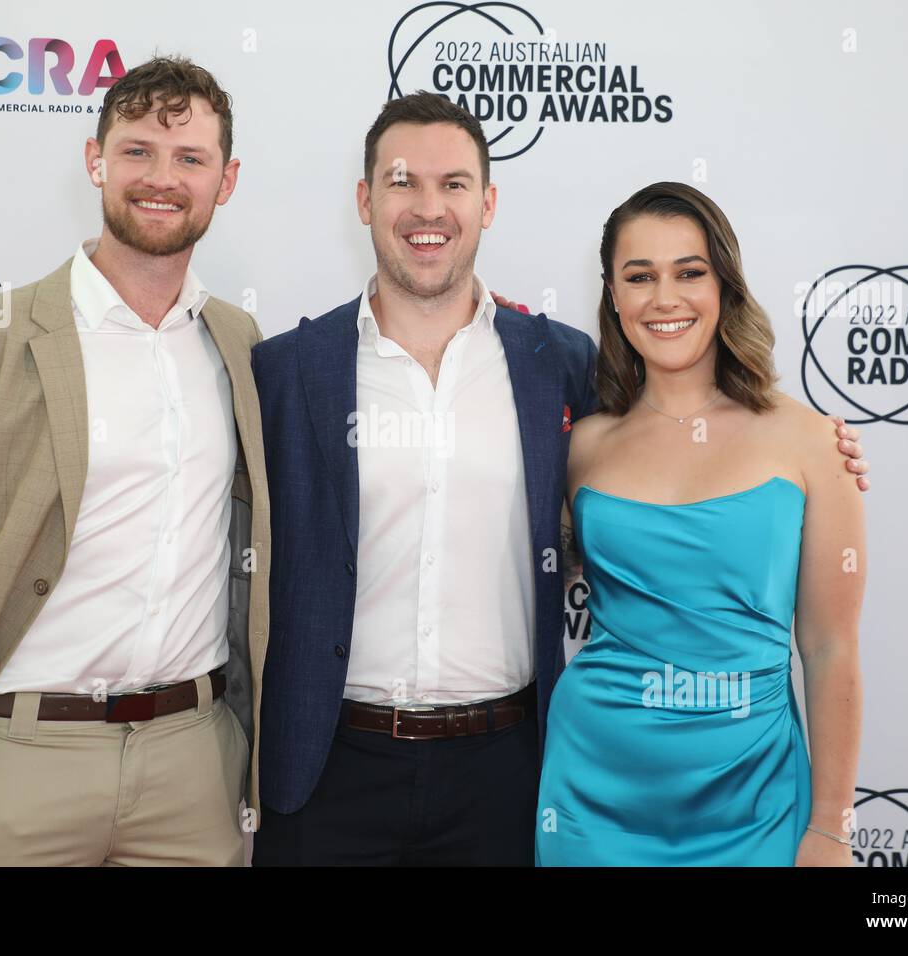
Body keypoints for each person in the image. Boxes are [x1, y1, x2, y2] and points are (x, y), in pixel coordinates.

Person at [250, 96, 869, 865]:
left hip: (510, 771)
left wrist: (819, 447)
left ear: (489, 202)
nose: (428, 207)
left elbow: (810, 623)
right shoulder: (282, 371)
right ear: (364, 199)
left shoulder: (555, 366)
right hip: (333, 770)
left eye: (455, 184)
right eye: (403, 182)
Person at [0, 56, 269, 865]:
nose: (162, 178)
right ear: (95, 160)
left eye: (190, 158)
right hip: (6, 765)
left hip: (195, 767)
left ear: (227, 178)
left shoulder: (241, 345)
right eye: (138, 150)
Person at [535, 182, 865, 866]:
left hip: (757, 800)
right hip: (595, 795)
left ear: (725, 285)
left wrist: (832, 825)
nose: (665, 298)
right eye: (640, 277)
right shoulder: (584, 444)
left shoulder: (811, 443)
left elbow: (831, 647)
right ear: (613, 295)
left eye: (689, 272)